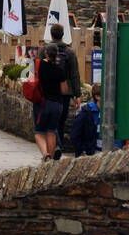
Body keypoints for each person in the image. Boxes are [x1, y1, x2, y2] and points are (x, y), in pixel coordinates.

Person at [48, 24, 82, 156]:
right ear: (63, 35)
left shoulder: (45, 49)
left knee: (50, 119)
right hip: (65, 92)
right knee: (61, 120)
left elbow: (38, 70)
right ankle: (59, 144)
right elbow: (74, 74)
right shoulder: (69, 52)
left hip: (49, 91)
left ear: (51, 34)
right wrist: (77, 94)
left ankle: (54, 145)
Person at [33, 44, 68, 162]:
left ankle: (45, 154)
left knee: (39, 132)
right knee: (51, 131)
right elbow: (64, 90)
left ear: (46, 53)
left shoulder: (40, 65)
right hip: (57, 104)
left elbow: (32, 79)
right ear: (57, 55)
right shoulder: (60, 70)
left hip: (43, 103)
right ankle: (51, 160)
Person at [69, 83, 102, 156]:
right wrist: (83, 151)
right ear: (97, 97)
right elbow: (74, 135)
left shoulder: (110, 112)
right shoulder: (86, 113)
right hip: (90, 155)